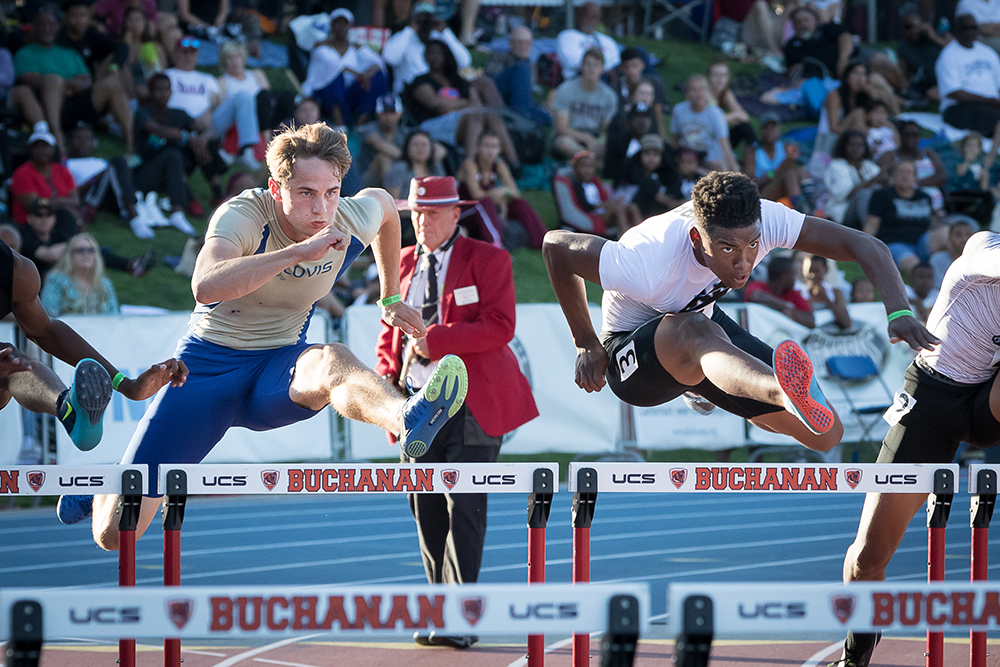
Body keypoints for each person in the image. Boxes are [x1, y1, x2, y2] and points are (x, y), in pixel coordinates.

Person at [61, 123, 471, 544]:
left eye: (331, 192)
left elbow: (385, 207)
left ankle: (406, 417)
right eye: (306, 193)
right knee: (116, 534)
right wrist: (296, 253)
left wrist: (389, 297)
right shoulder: (244, 216)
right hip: (205, 370)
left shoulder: (346, 217)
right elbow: (205, 285)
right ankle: (100, 497)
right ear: (276, 189)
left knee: (332, 360)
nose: (322, 209)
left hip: (278, 367)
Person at [541, 170, 939, 453]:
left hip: (705, 337)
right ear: (698, 239)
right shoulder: (644, 262)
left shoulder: (767, 218)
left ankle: (719, 385)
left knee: (827, 434)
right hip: (631, 359)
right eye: (728, 249)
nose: (744, 263)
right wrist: (585, 342)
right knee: (692, 327)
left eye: (753, 245)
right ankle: (780, 390)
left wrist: (897, 310)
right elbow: (556, 246)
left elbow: (866, 245)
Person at [375, 176, 538, 648]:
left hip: (473, 404)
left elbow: (501, 326)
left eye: (431, 213)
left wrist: (436, 339)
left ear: (455, 214)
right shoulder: (401, 263)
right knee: (423, 507)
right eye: (416, 213)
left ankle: (460, 619)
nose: (421, 221)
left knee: (463, 507)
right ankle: (438, 610)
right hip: (415, 406)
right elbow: (388, 337)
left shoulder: (489, 258)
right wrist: (388, 383)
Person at [835, 231, 999, 667]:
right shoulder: (985, 247)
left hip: (987, 404)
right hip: (932, 400)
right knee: (869, 556)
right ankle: (854, 659)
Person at [0, 231, 184, 463]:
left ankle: (69, 411)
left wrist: (125, 385)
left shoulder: (16, 270)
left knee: (11, 361)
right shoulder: (19, 270)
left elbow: (44, 331)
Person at [12, 5, 135, 155]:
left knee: (111, 83)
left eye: (50, 24)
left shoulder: (69, 53)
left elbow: (87, 79)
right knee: (53, 79)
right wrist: (62, 83)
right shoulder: (25, 53)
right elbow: (30, 78)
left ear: (57, 27)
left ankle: (131, 144)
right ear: (34, 27)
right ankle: (57, 136)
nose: (46, 28)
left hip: (76, 101)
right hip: (46, 103)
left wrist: (73, 84)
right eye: (42, 24)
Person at [405, 39, 521, 170]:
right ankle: (469, 165)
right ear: (425, 56)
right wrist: (465, 103)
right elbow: (435, 104)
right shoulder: (420, 80)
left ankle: (515, 165)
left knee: (491, 116)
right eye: (431, 53)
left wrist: (454, 105)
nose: (434, 57)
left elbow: (474, 104)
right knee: (474, 117)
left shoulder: (456, 80)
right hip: (432, 124)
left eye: (439, 53)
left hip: (460, 119)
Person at [133, 72, 221, 233]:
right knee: (172, 154)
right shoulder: (142, 112)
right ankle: (179, 211)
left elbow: (205, 128)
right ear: (151, 92)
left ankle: (218, 192)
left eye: (166, 89)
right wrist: (187, 137)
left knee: (201, 146)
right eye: (158, 89)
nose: (163, 93)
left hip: (174, 168)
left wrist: (201, 140)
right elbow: (157, 130)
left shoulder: (178, 114)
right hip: (146, 171)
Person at [165, 35, 262, 171]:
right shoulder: (168, 75)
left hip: (208, 125)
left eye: (192, 52)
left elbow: (219, 104)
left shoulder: (207, 78)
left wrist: (207, 114)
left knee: (243, 96)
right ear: (175, 54)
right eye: (184, 52)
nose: (188, 56)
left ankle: (247, 151)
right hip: (179, 124)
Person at [456, 130, 547, 249]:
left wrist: (503, 193)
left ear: (499, 150)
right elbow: (476, 195)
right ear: (478, 148)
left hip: (484, 212)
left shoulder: (499, 165)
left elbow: (515, 193)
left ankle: (544, 241)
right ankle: (496, 245)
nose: (490, 151)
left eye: (494, 146)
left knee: (520, 203)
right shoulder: (470, 164)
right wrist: (498, 194)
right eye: (486, 146)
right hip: (463, 214)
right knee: (484, 203)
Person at [300, 9, 388, 127]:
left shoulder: (355, 48)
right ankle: (340, 124)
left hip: (350, 93)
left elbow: (378, 63)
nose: (341, 27)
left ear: (350, 26)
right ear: (332, 25)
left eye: (344, 24)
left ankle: (361, 122)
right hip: (326, 92)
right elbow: (333, 68)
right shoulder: (322, 48)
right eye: (337, 23)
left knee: (378, 77)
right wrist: (358, 74)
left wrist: (365, 76)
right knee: (337, 78)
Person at [935, 14, 1000, 162]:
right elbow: (954, 92)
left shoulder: (988, 53)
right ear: (956, 30)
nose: (970, 32)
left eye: (973, 28)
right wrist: (989, 101)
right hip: (958, 108)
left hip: (991, 104)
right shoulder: (948, 55)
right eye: (965, 28)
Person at [382, 2, 473, 96]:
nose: (425, 22)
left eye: (429, 18)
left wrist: (445, 32)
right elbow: (389, 59)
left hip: (439, 92)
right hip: (409, 94)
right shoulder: (404, 37)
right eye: (421, 18)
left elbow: (464, 61)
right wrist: (410, 29)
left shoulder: (439, 37)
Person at [864, 160, 934, 275]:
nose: (904, 175)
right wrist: (863, 248)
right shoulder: (881, 195)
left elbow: (931, 226)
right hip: (894, 244)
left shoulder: (925, 197)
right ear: (893, 175)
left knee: (946, 233)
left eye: (909, 172)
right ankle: (924, 285)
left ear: (915, 177)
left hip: (921, 243)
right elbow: (871, 225)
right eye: (900, 172)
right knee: (914, 264)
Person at [550, 47, 618, 161]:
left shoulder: (609, 96)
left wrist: (598, 142)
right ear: (581, 66)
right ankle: (589, 161)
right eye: (588, 64)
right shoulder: (566, 90)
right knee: (564, 143)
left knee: (612, 143)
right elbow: (561, 128)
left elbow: (606, 128)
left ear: (602, 69)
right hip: (570, 136)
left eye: (596, 65)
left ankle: (587, 161)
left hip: (595, 136)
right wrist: (586, 138)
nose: (592, 69)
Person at [552, 150, 640, 238]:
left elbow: (604, 198)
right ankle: (626, 238)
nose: (588, 170)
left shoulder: (595, 183)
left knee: (632, 207)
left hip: (603, 211)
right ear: (576, 168)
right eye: (584, 167)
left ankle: (641, 237)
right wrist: (604, 205)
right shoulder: (577, 185)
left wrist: (608, 204)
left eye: (591, 167)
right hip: (591, 215)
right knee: (618, 207)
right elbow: (584, 206)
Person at [219, 39, 296, 137]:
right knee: (262, 97)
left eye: (237, 57)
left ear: (243, 58)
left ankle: (293, 131)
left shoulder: (256, 74)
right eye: (230, 58)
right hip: (243, 118)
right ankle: (267, 138)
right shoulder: (222, 81)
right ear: (224, 61)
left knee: (286, 96)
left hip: (265, 113)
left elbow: (269, 98)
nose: (234, 62)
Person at [10, 125, 80, 227]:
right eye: (37, 146)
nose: (41, 150)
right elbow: (34, 205)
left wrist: (53, 202)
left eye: (45, 146)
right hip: (30, 224)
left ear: (53, 149)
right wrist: (64, 205)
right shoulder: (21, 173)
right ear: (30, 149)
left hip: (61, 218)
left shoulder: (62, 170)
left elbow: (75, 200)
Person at [485, 26, 551, 127]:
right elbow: (491, 82)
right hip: (500, 100)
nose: (523, 46)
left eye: (526, 43)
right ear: (511, 43)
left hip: (517, 101)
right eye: (519, 42)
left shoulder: (529, 64)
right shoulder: (500, 57)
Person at [40, 232, 119, 316]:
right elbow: (49, 314)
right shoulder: (56, 279)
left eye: (90, 250)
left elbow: (115, 316)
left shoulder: (105, 284)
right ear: (69, 254)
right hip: (66, 328)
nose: (86, 254)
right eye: (80, 250)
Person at [671, 74, 739, 172]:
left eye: (702, 89)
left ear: (708, 92)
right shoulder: (679, 110)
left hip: (710, 157)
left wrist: (733, 169)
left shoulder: (716, 114)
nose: (699, 94)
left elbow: (724, 143)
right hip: (689, 153)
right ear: (687, 92)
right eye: (694, 90)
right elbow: (675, 139)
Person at [877, 119, 946, 213]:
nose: (910, 138)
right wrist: (906, 187)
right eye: (906, 135)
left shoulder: (929, 154)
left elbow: (942, 176)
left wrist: (915, 184)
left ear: (919, 137)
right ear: (900, 136)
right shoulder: (890, 155)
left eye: (914, 135)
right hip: (900, 203)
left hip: (934, 206)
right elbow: (882, 176)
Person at [742, 114, 807, 211]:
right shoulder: (753, 152)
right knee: (788, 174)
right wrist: (774, 173)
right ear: (761, 131)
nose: (770, 131)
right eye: (766, 128)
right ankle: (804, 211)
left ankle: (806, 205)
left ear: (779, 129)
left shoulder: (785, 148)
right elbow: (750, 183)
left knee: (798, 172)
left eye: (773, 127)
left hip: (784, 188)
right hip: (762, 193)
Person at [823, 130, 883, 225]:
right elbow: (845, 194)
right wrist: (872, 181)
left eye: (859, 145)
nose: (856, 149)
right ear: (844, 146)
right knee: (863, 194)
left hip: (868, 209)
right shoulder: (836, 166)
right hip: (842, 212)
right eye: (852, 145)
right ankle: (870, 231)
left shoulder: (869, 165)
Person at [743, 255, 816, 328]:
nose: (794, 279)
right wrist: (784, 306)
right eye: (793, 274)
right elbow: (756, 296)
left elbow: (811, 321)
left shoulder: (792, 294)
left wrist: (789, 311)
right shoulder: (757, 286)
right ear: (784, 276)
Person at [555, 1, 621, 79]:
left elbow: (616, 62)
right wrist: (600, 68)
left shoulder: (607, 40)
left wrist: (597, 68)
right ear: (578, 16)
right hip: (576, 79)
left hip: (604, 79)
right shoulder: (567, 36)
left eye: (595, 17)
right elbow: (572, 61)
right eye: (588, 16)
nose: (591, 20)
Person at [355, 93, 407, 188]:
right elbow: (380, 144)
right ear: (377, 113)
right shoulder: (369, 128)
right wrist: (411, 157)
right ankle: (392, 199)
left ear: (400, 113)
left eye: (392, 112)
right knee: (383, 158)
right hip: (366, 180)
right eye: (384, 113)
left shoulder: (404, 132)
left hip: (400, 177)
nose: (388, 117)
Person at [384, 130, 447, 201]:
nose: (420, 148)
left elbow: (443, 196)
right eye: (415, 144)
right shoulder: (398, 169)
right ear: (407, 147)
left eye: (424, 145)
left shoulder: (436, 167)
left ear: (431, 148)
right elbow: (394, 201)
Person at [708, 60, 755, 151]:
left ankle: (754, 160)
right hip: (706, 139)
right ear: (709, 77)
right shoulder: (705, 94)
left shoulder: (726, 93)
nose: (720, 79)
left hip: (719, 137)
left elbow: (745, 117)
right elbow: (712, 121)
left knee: (744, 128)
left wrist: (731, 117)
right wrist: (735, 116)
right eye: (716, 75)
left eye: (723, 75)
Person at [798, 253, 852, 329]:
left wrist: (826, 299)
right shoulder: (800, 294)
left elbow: (847, 323)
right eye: (810, 271)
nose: (813, 275)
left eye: (817, 271)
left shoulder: (835, 293)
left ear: (826, 269)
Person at [929, 216, 974, 287]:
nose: (964, 239)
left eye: (968, 235)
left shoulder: (977, 262)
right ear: (949, 238)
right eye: (958, 235)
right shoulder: (938, 259)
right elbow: (938, 287)